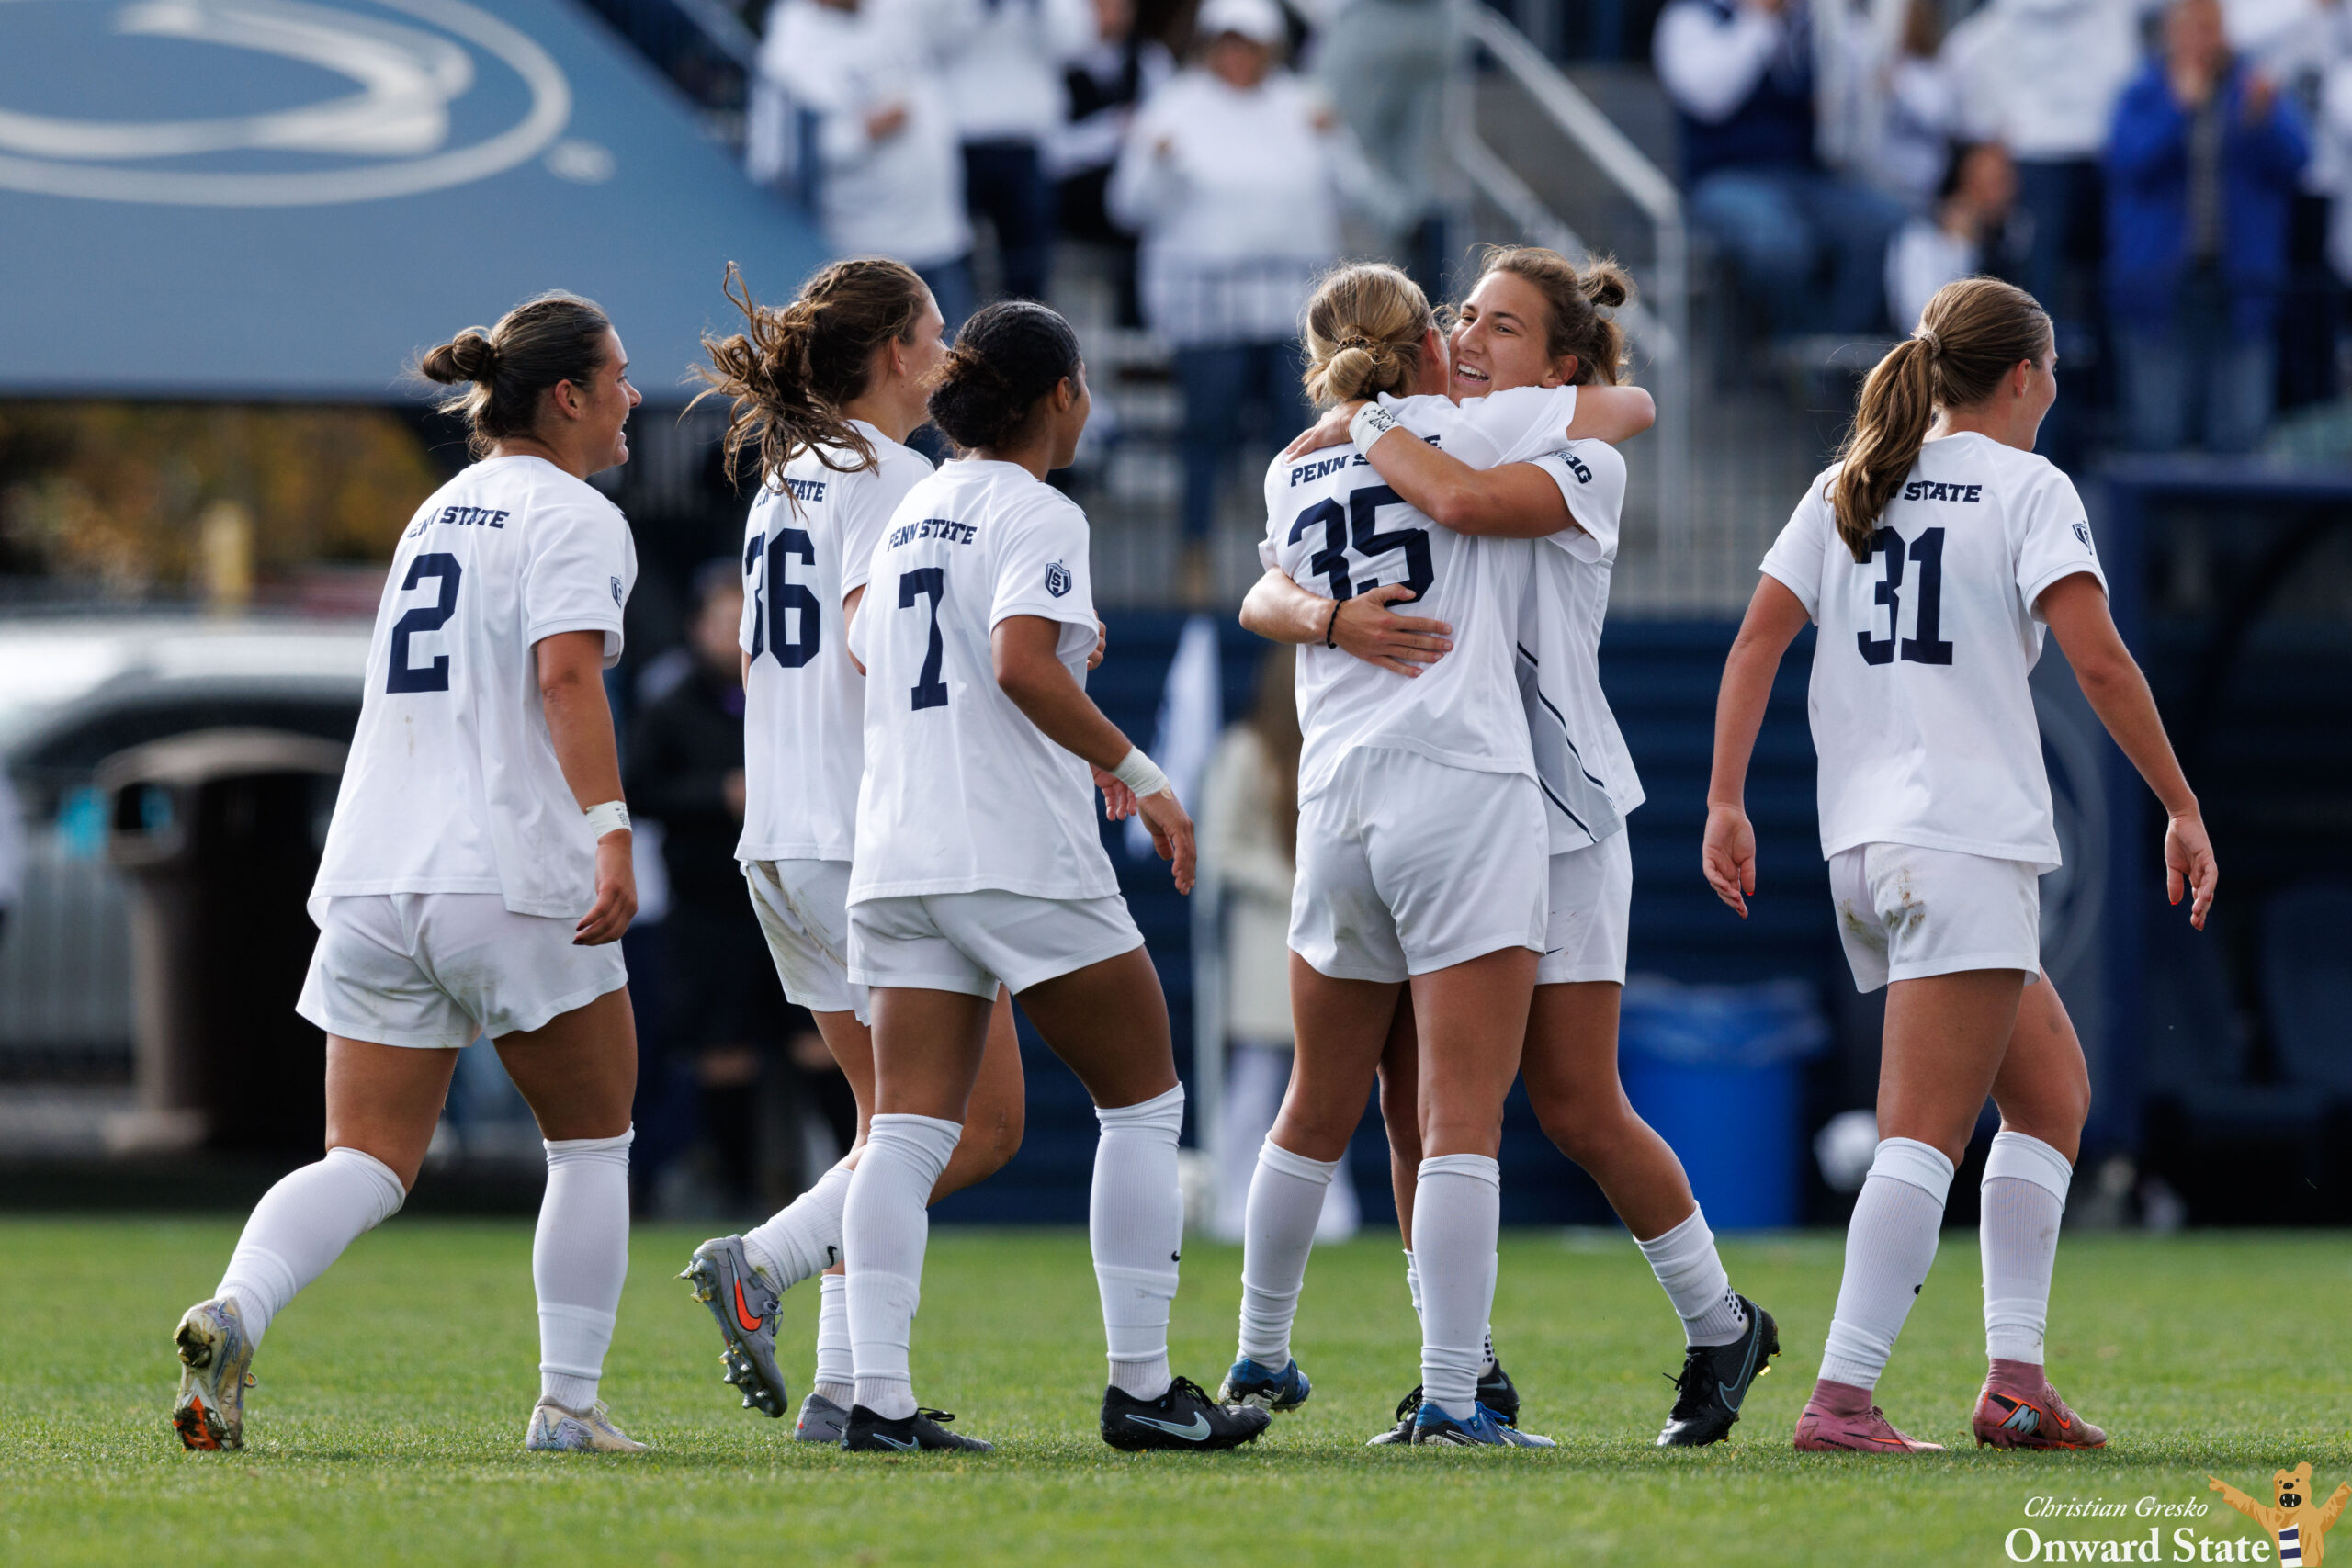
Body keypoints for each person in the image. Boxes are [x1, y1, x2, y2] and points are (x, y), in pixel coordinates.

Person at [1238, 247, 1776, 1450]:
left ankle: (1720, 1318)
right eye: (1463, 316)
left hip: (1559, 813)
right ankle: (1461, 1371)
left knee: (1578, 1102)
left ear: (1564, 366)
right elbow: (1263, 589)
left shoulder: (1567, 454)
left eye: (1507, 327)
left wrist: (1362, 422)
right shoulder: (1417, 434)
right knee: (1408, 1104)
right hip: (1442, 798)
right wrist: (1323, 608)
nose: (1472, 337)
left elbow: (1469, 499)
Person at [1702, 276, 2219, 1453]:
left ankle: (2014, 1385)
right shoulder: (2028, 485)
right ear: (2028, 376)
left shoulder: (1848, 481)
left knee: (2051, 1096)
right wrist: (2181, 805)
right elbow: (2100, 664)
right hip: (1959, 844)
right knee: (1920, 1134)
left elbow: (1753, 644)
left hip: (1869, 849)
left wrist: (1727, 799)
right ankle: (1840, 1398)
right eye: (2051, 374)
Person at [170, 293, 650, 1454]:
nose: (634, 396)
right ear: (566, 397)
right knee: (592, 1141)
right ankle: (569, 1406)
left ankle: (236, 1308)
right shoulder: (573, 514)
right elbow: (566, 682)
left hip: (379, 872)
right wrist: (613, 830)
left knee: (366, 1160)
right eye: (619, 376)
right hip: (508, 870)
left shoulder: (438, 510)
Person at [837, 299, 1270, 1453]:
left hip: (899, 851)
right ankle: (1140, 1389)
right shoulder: (1039, 510)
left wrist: (1055, 652)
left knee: (907, 1133)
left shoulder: (914, 504)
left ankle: (872, 1399)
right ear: (1061, 396)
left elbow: (872, 646)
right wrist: (1142, 771)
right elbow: (1021, 665)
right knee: (1143, 1102)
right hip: (1012, 848)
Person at [675, 260, 1025, 1447]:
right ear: (890, 352)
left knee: (892, 1131)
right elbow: (889, 646)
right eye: (934, 333)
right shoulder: (899, 474)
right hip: (869, 835)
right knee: (971, 1126)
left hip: (779, 834)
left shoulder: (787, 478)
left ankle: (849, 1390)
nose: (949, 355)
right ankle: (768, 1265)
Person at [1108, 0, 1399, 604]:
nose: (1237, 57)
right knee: (1205, 435)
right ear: (1210, 44)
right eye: (1226, 42)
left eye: (1249, 44)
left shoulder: (1302, 105)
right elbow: (1127, 205)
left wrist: (1336, 139)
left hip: (1295, 317)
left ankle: (1305, 562)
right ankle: (1196, 560)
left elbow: (1359, 191)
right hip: (1207, 314)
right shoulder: (1175, 105)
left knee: (1300, 439)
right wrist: (1157, 164)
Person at [624, 562, 791, 1210]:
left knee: (818, 1044)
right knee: (724, 1051)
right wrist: (720, 795)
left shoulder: (786, 691)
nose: (732, 634)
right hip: (709, 905)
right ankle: (741, 1195)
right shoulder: (669, 702)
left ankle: (845, 1194)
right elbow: (638, 789)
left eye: (741, 620)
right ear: (697, 628)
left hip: (787, 895)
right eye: (721, 621)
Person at [1199, 644, 1360, 1242]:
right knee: (1259, 1078)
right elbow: (1222, 849)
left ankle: (1329, 1211)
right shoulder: (1243, 752)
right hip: (1269, 940)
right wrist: (1293, 883)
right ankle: (1231, 1202)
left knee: (1327, 1077)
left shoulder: (1337, 741)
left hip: (1330, 936)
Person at [2105, 0, 2310, 453]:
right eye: (2192, 27)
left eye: (2211, 27)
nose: (2202, 39)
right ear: (2170, 33)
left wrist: (2264, 121)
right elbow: (2128, 163)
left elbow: (2298, 160)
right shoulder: (2143, 92)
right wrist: (2178, 110)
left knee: (2241, 438)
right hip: (2158, 293)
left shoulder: (2253, 90)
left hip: (2242, 290)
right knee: (2157, 436)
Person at [1653, 0, 1905, 337]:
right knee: (1777, 242)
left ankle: (1836, 349)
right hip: (1725, 177)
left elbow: (1858, 92)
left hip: (1805, 176)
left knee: (1884, 223)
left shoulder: (1813, 22)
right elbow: (1710, 99)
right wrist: (1760, 20)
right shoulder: (1692, 16)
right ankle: (1795, 349)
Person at [751, 0, 977, 329]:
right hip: (867, 255)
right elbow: (776, 158)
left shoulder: (893, 17)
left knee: (955, 369)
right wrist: (862, 132)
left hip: (939, 235)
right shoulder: (791, 49)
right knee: (883, 373)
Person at [940, 0, 1097, 304]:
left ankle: (1027, 337)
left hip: (1026, 146)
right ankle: (956, 338)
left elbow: (1077, 44)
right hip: (963, 141)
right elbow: (933, 39)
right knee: (957, 254)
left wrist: (1038, 8)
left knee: (1027, 262)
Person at [1048, 0, 1172, 330]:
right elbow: (1050, 149)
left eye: (1122, 7)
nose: (1112, 16)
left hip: (1129, 213)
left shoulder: (1150, 60)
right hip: (1071, 209)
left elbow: (1164, 125)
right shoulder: (1058, 61)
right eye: (1101, 7)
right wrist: (1111, 131)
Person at [1884, 141, 2025, 333]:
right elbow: (1920, 323)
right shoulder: (1922, 238)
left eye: (2009, 181)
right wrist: (1961, 249)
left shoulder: (2016, 234)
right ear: (1967, 186)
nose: (2007, 192)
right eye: (1996, 183)